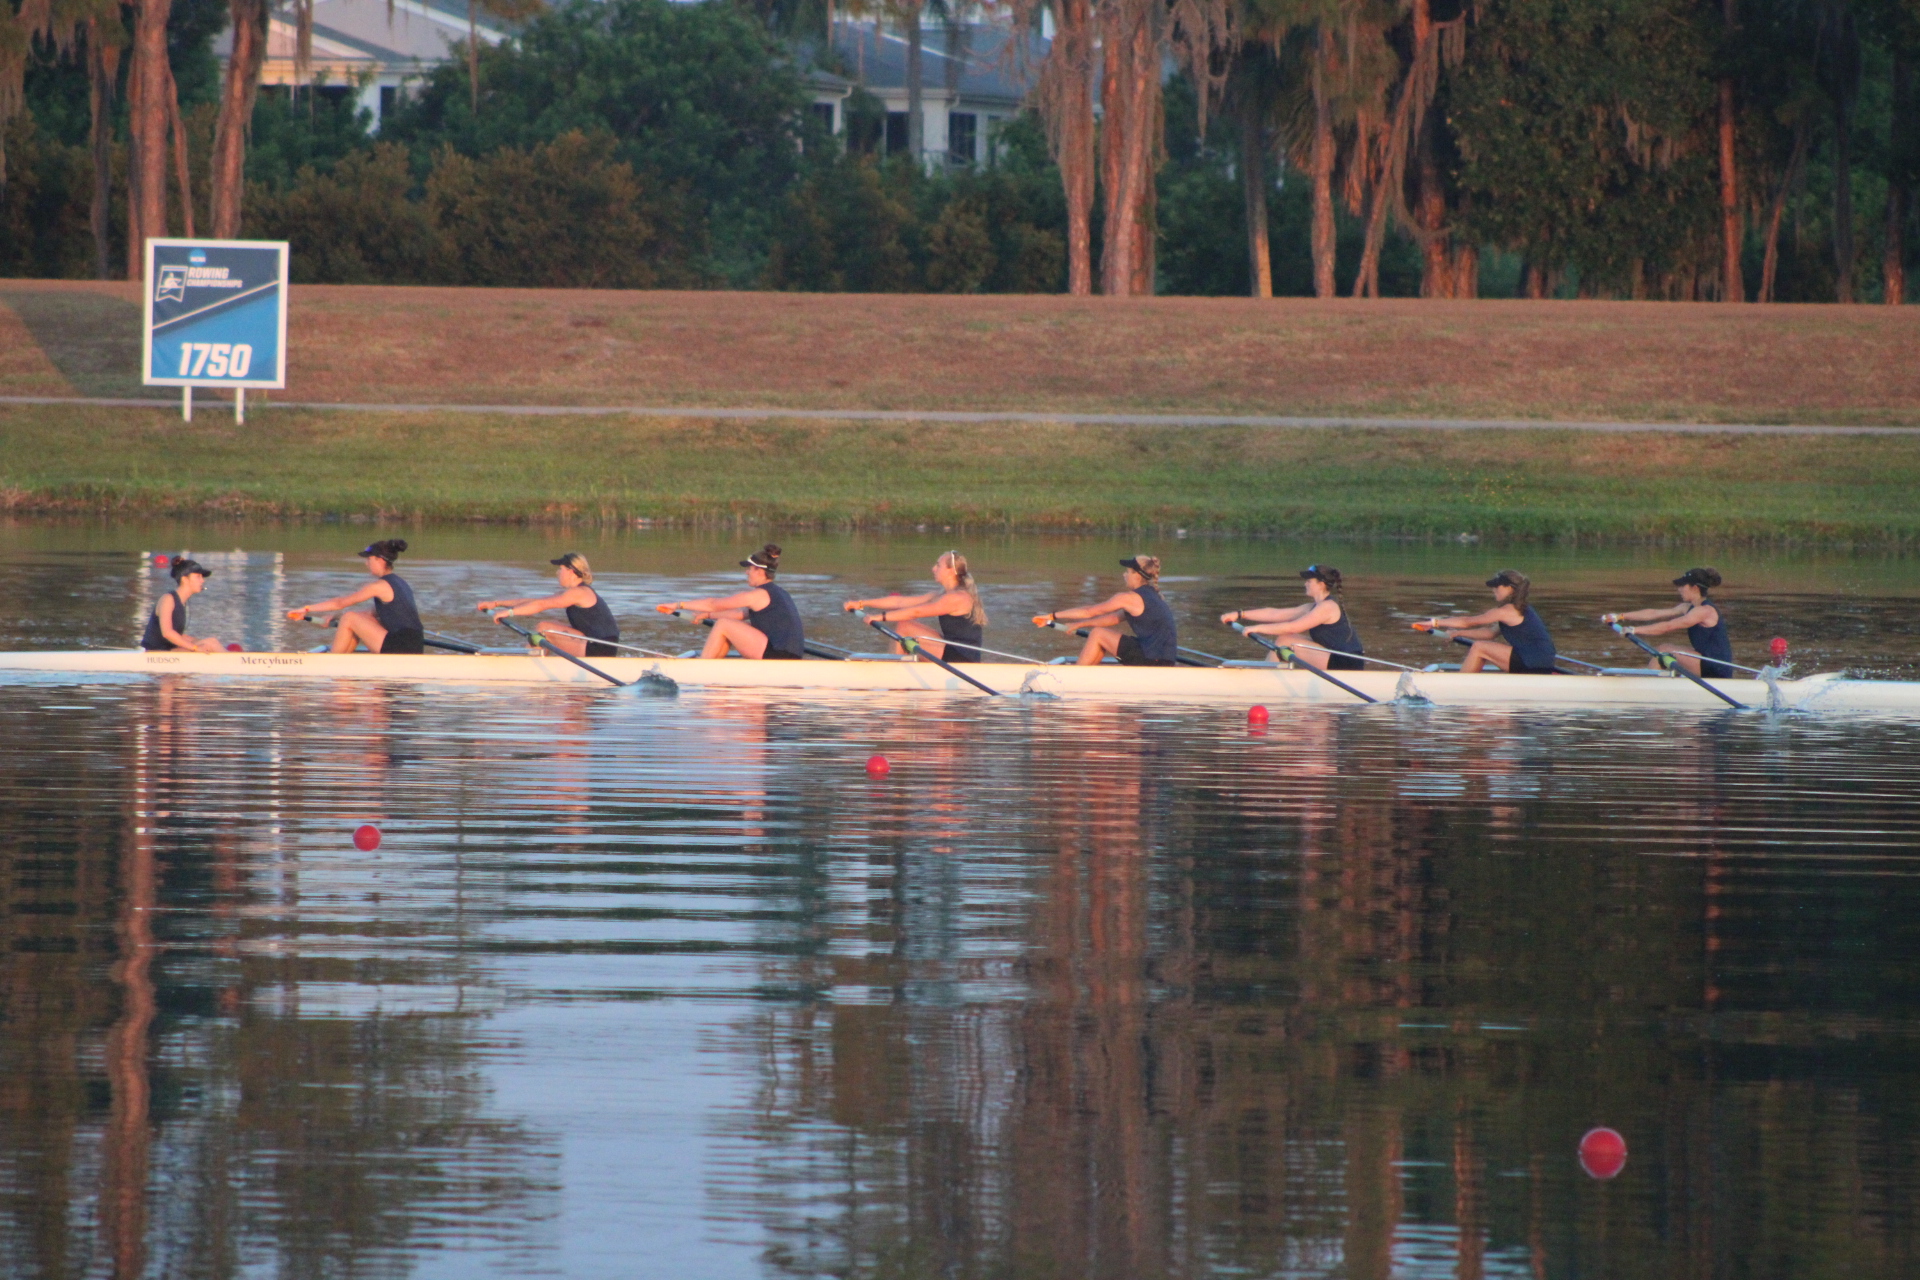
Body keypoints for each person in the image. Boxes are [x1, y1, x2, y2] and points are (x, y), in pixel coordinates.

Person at [656, 544, 804, 659]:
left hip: (778, 654)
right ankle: (711, 664)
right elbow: (740, 614)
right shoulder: (780, 593)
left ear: (759, 571)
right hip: (790, 653)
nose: (746, 572)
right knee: (727, 625)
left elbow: (713, 604)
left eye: (749, 569)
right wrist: (706, 615)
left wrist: (678, 605)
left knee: (723, 625)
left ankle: (701, 667)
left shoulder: (758, 594)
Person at [286, 539, 425, 655]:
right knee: (351, 618)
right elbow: (370, 614)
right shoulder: (401, 583)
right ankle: (343, 662)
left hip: (401, 646)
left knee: (350, 617)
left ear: (379, 560)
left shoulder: (379, 586)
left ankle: (331, 663)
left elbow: (340, 602)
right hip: (415, 644)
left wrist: (306, 609)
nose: (366, 564)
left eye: (369, 560)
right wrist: (336, 617)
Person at [843, 551, 987, 662]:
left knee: (904, 627)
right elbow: (899, 602)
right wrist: (861, 603)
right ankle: (901, 668)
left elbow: (916, 612)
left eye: (938, 565)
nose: (933, 569)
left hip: (963, 658)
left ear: (950, 571)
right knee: (905, 627)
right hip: (951, 649)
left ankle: (893, 672)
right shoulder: (941, 594)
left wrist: (879, 617)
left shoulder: (957, 598)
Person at [1033, 555, 1177, 666]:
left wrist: (1052, 616)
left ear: (1137, 576)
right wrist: (1078, 625)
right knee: (1100, 633)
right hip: (1165, 660)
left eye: (1127, 572)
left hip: (1151, 659)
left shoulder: (1128, 598)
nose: (1124, 575)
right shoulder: (1155, 596)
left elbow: (1089, 611)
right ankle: (1083, 676)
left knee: (1098, 634)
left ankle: (1073, 678)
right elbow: (1113, 618)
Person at [477, 552, 621, 658]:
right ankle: (531, 659)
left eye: (560, 569)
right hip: (599, 645)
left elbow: (541, 605)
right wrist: (496, 604)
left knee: (545, 628)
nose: (557, 573)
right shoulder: (574, 592)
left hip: (600, 649)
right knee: (549, 627)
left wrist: (509, 613)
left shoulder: (579, 593)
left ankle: (529, 663)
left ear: (570, 571)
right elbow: (535, 601)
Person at [1221, 565, 1365, 671]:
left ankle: (1266, 676)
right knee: (1286, 638)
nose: (1305, 583)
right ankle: (1272, 673)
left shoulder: (1328, 607)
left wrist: (1257, 628)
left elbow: (1293, 626)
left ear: (1321, 585)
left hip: (1348, 663)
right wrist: (1240, 614)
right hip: (1336, 657)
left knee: (1286, 640)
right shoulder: (1312, 607)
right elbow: (1275, 614)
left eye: (1309, 581)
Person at [1600, 567, 1734, 678]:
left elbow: (1669, 626)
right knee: (1660, 658)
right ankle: (1649, 680)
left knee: (1664, 650)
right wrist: (1620, 616)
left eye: (1683, 585)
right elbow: (1654, 613)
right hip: (1704, 663)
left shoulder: (1705, 611)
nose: (1679, 589)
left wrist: (1635, 630)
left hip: (1717, 668)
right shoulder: (1687, 607)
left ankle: (1649, 686)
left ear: (1695, 588)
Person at [1416, 568, 1558, 673]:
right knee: (1482, 646)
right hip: (1540, 661)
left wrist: (1435, 623)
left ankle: (1461, 684)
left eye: (1497, 586)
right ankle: (1468, 681)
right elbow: (1489, 633)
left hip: (1532, 662)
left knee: (1479, 647)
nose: (1493, 590)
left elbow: (1467, 621)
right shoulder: (1519, 609)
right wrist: (1457, 633)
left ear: (1509, 588)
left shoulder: (1506, 611)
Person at [140, 557, 230, 653]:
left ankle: (234, 660)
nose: (202, 581)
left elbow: (178, 635)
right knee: (211, 643)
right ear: (185, 579)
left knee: (211, 641)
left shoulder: (181, 602)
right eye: (198, 577)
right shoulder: (168, 599)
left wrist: (197, 642)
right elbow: (167, 633)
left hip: (169, 651)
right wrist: (196, 648)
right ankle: (236, 663)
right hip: (156, 654)